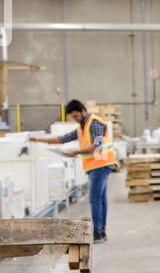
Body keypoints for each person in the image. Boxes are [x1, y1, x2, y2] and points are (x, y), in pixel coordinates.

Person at [30, 99, 116, 243]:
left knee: (95, 200)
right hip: (95, 166)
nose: (75, 119)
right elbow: (63, 139)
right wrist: (38, 139)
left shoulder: (94, 123)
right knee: (100, 199)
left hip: (100, 165)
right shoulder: (81, 127)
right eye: (73, 117)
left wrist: (75, 152)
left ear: (83, 111)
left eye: (77, 115)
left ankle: (98, 233)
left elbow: (97, 145)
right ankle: (101, 232)